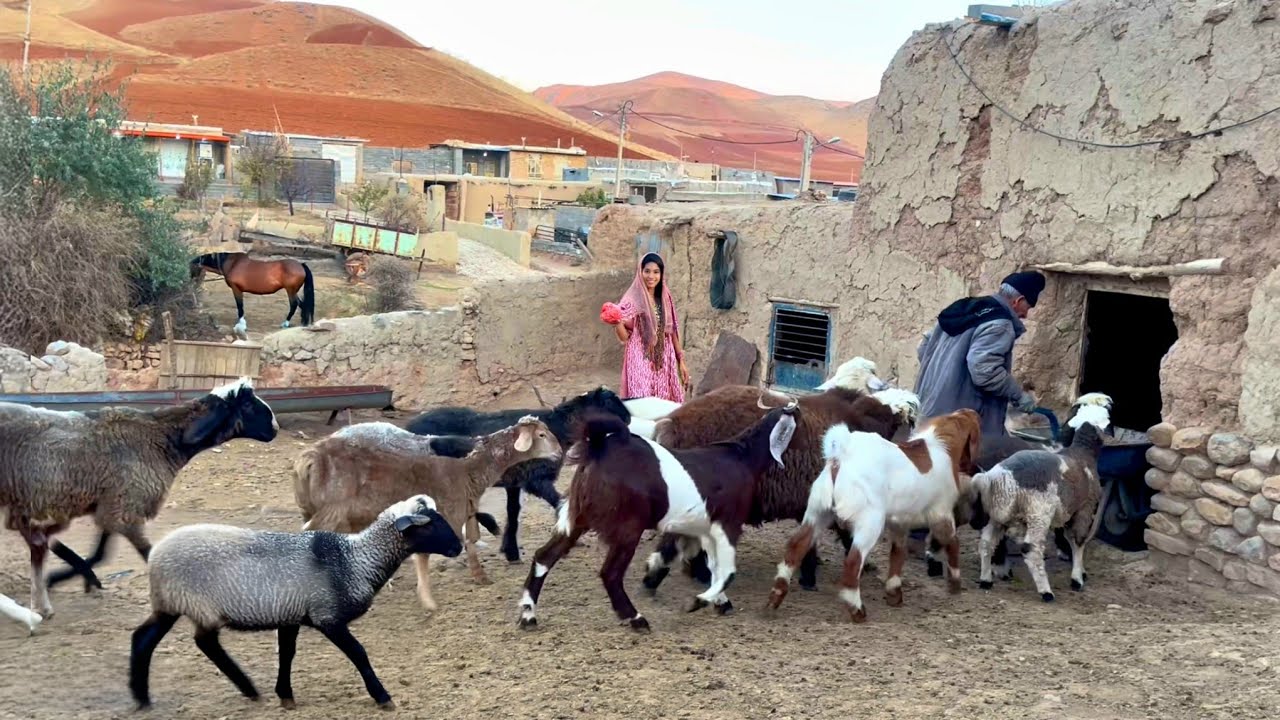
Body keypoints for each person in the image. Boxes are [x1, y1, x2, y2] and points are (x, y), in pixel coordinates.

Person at [913, 270, 1047, 438]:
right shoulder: (1000, 324)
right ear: (1018, 301)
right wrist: (1018, 395)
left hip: (927, 408)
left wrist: (943, 378)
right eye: (1027, 307)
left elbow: (923, 347)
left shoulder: (964, 308)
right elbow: (984, 370)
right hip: (957, 422)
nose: (1025, 315)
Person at [603, 252, 690, 402]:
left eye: (656, 272)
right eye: (647, 271)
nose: (651, 276)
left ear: (661, 274)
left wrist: (680, 360)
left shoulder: (665, 296)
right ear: (640, 272)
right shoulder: (633, 299)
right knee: (641, 400)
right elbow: (625, 337)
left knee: (663, 402)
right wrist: (616, 321)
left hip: (663, 358)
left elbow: (672, 331)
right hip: (639, 357)